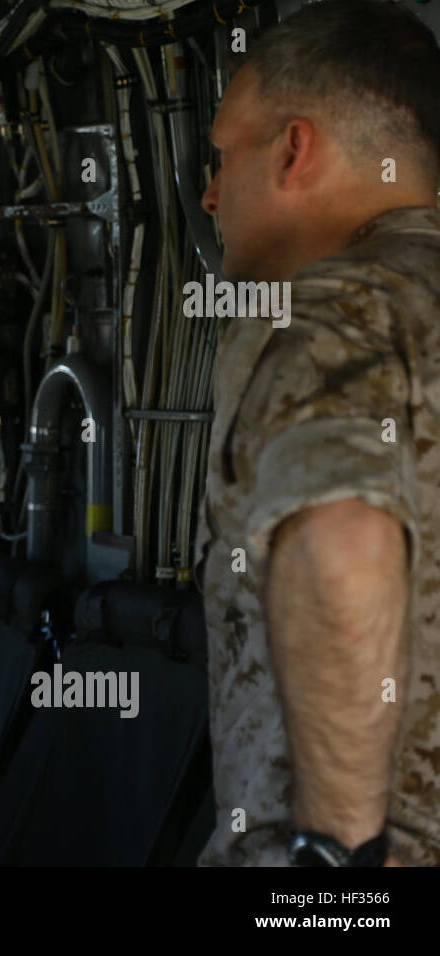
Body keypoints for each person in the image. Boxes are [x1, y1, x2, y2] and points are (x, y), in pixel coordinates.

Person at [194, 0, 440, 866]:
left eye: (225, 155)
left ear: (295, 150)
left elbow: (344, 542)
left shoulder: (323, 315)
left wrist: (336, 865)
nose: (210, 192)